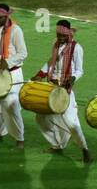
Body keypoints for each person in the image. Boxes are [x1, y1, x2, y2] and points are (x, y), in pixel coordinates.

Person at [30, 20, 91, 161]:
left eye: (62, 35)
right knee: (40, 118)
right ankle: (57, 144)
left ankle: (85, 150)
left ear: (68, 33)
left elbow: (80, 70)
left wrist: (73, 78)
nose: (60, 37)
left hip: (65, 91)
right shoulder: (55, 43)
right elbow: (51, 61)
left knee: (71, 123)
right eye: (58, 34)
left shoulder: (77, 48)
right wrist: (40, 74)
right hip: (51, 88)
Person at [0, 3, 28, 146]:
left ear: (6, 16)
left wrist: (8, 62)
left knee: (11, 105)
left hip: (12, 73)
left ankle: (20, 139)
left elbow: (23, 53)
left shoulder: (16, 30)